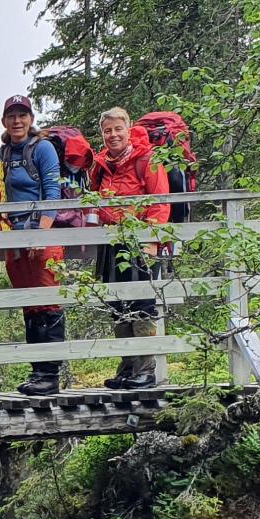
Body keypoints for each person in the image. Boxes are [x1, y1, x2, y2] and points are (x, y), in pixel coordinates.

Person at [90, 106, 172, 390]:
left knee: (142, 305)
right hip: (112, 243)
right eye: (107, 130)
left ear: (128, 129)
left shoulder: (146, 159)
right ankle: (127, 366)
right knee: (118, 304)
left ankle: (146, 370)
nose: (112, 135)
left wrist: (151, 241)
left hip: (141, 242)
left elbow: (160, 202)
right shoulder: (101, 164)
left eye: (117, 129)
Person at [0, 95, 68, 396]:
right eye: (11, 115)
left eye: (22, 115)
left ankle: (50, 375)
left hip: (41, 232)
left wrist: (42, 232)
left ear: (31, 118)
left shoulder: (44, 148)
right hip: (14, 234)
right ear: (3, 121)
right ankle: (37, 373)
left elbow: (53, 191)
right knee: (30, 306)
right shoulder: (1, 153)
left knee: (48, 303)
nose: (17, 121)